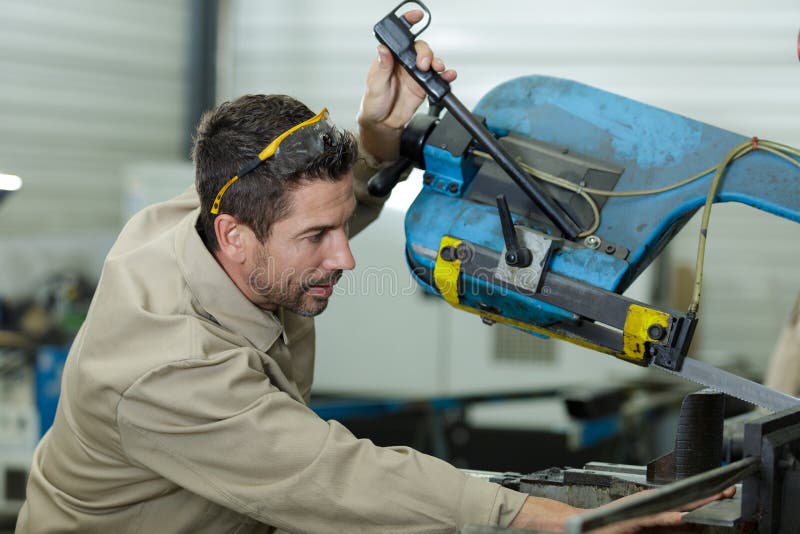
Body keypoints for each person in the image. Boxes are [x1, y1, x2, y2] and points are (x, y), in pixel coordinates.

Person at [16, 12, 733, 533]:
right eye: (317, 238)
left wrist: (378, 135)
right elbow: (332, 473)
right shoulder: (165, 367)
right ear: (235, 237)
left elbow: (324, 191)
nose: (347, 255)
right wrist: (535, 517)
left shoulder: (215, 210)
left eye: (340, 224)